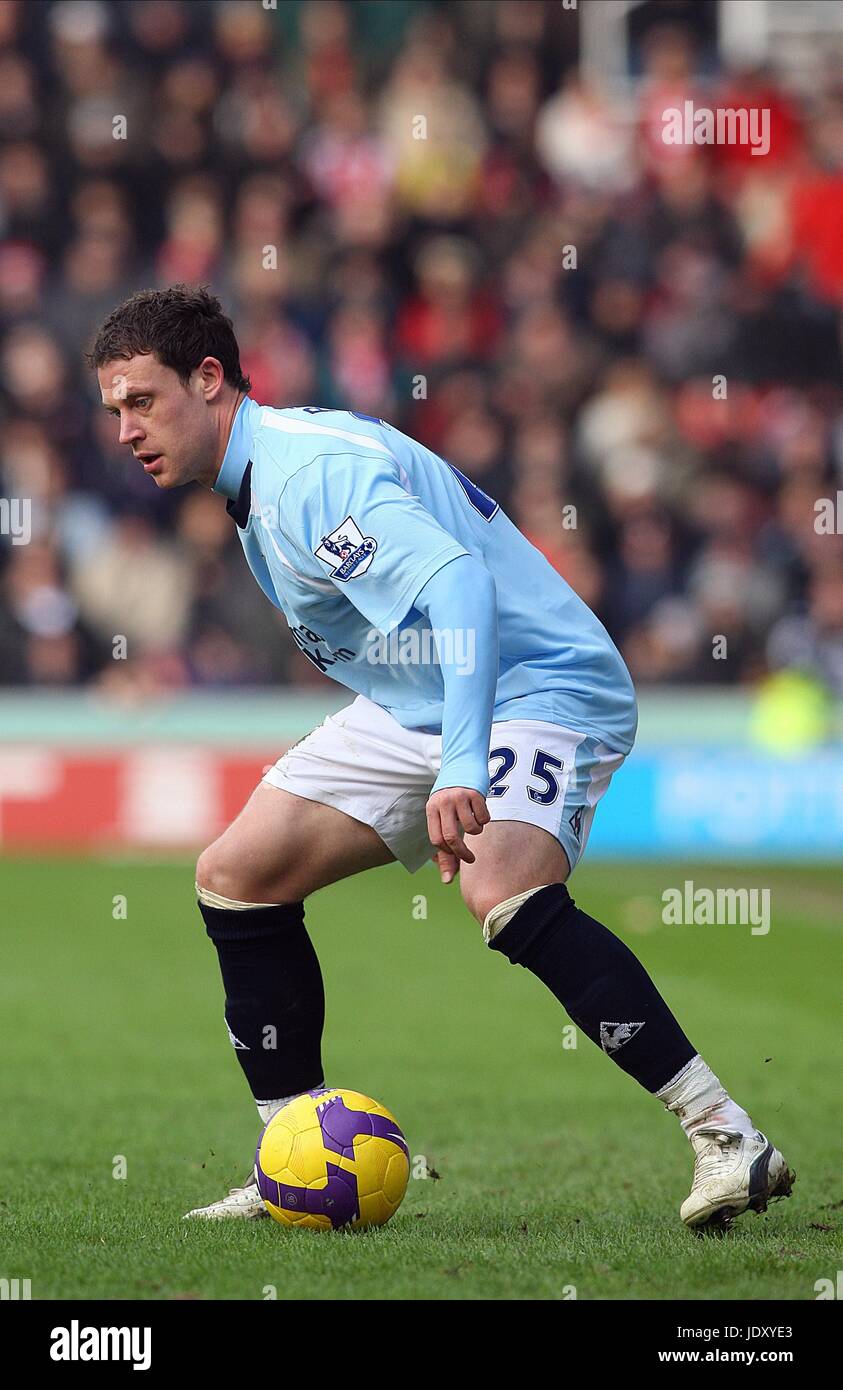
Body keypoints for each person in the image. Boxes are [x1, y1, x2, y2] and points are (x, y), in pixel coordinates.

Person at [90, 285, 794, 1230]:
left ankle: (725, 1134)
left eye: (142, 400)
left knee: (497, 881)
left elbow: (461, 589)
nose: (126, 429)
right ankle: (292, 1158)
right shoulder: (261, 480)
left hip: (533, 682)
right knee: (238, 875)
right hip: (420, 696)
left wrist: (463, 765)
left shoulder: (305, 477)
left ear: (209, 379)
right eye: (113, 411)